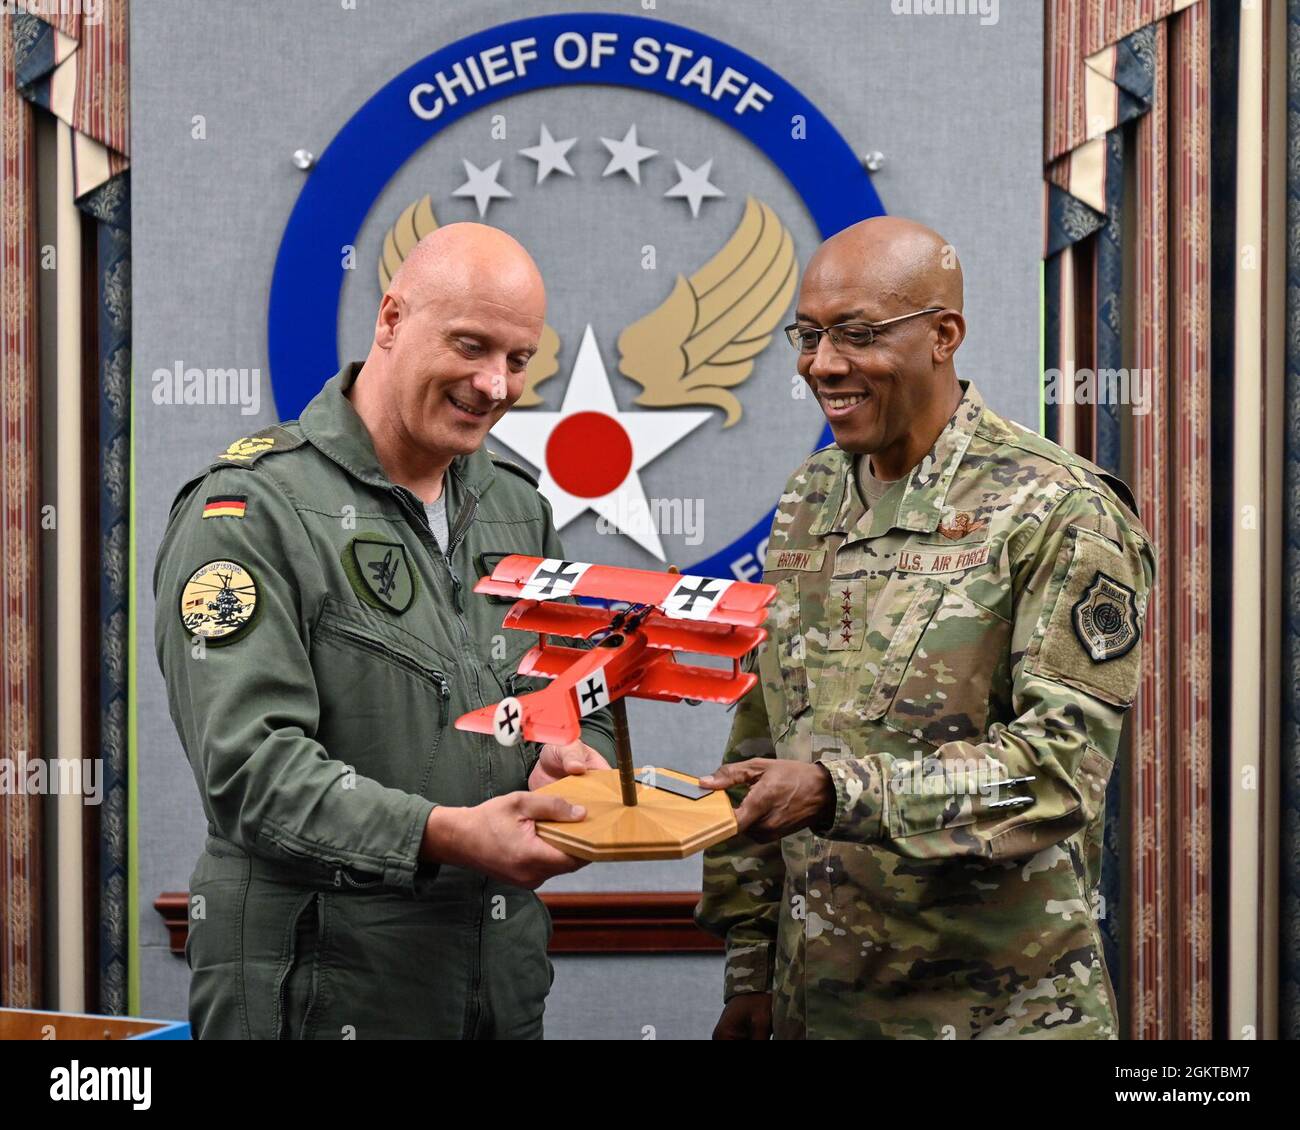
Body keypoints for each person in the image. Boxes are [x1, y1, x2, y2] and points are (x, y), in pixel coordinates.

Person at [696, 216, 1155, 1040]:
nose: (823, 364)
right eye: (808, 336)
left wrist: (843, 792)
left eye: (858, 334)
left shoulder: (1059, 511)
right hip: (818, 1009)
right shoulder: (810, 500)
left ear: (944, 336)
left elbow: (1056, 776)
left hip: (994, 1016)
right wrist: (750, 966)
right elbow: (763, 731)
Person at [154, 223, 613, 1039]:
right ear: (392, 320)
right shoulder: (249, 512)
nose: (494, 384)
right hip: (321, 995)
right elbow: (250, 772)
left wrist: (575, 763)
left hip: (494, 990)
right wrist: (446, 835)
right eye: (471, 346)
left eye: (517, 359)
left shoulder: (518, 504)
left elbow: (582, 691)